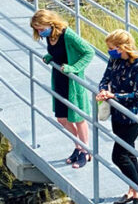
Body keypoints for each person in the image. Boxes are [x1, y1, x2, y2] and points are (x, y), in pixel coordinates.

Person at [31, 9, 96, 167]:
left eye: (41, 28)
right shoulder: (49, 37)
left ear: (50, 23)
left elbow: (89, 52)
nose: (40, 32)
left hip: (72, 82)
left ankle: (85, 151)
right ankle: (78, 146)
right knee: (62, 118)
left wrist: (74, 68)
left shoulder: (67, 34)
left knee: (78, 118)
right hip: (59, 79)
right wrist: (51, 57)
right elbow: (60, 53)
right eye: (37, 29)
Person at [96, 29, 138, 204]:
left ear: (122, 47)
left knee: (118, 155)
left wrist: (114, 95)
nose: (109, 51)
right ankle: (132, 190)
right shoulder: (114, 59)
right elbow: (105, 78)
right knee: (129, 151)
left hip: (134, 113)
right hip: (118, 111)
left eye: (111, 48)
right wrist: (103, 91)